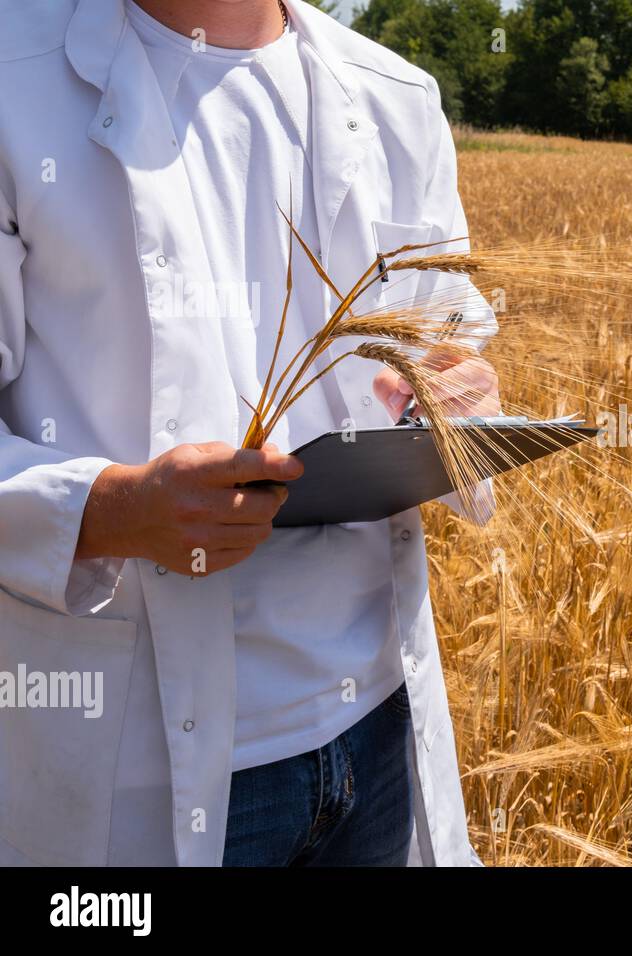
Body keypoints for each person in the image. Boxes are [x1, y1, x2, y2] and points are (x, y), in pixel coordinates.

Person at [0, 0, 497, 865]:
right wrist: (110, 509)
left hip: (374, 726)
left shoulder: (398, 97)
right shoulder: (15, 75)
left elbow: (451, 345)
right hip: (137, 761)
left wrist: (457, 407)